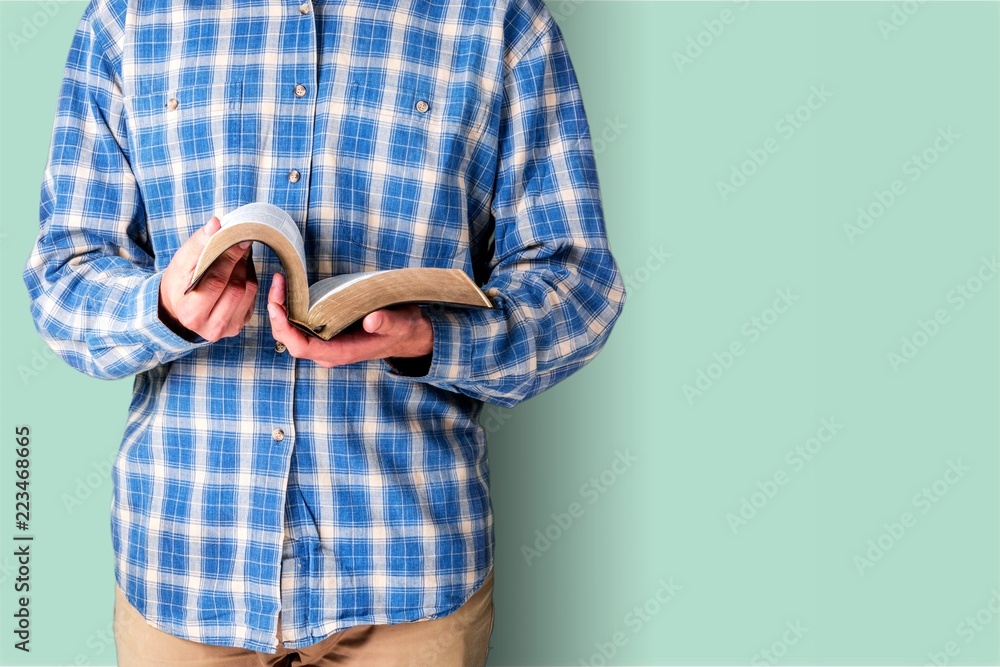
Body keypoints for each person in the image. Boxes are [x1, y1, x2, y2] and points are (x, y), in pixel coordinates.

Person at [23, 0, 626, 662]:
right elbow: (63, 278)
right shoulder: (128, 20)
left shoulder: (498, 21)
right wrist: (162, 309)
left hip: (410, 576)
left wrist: (427, 340)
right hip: (185, 568)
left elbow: (579, 288)